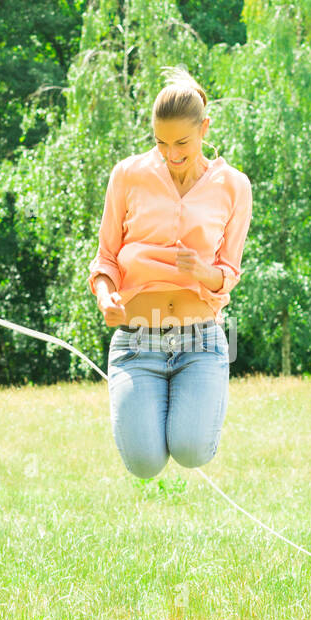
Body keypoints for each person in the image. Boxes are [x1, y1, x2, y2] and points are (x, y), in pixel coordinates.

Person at [89, 66, 252, 478]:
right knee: (144, 464)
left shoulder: (234, 186)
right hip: (136, 341)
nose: (172, 153)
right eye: (161, 142)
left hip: (201, 342)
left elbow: (228, 274)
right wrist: (106, 295)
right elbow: (105, 259)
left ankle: (196, 418)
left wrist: (202, 270)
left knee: (192, 451)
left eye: (182, 142)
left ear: (205, 128)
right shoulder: (127, 175)